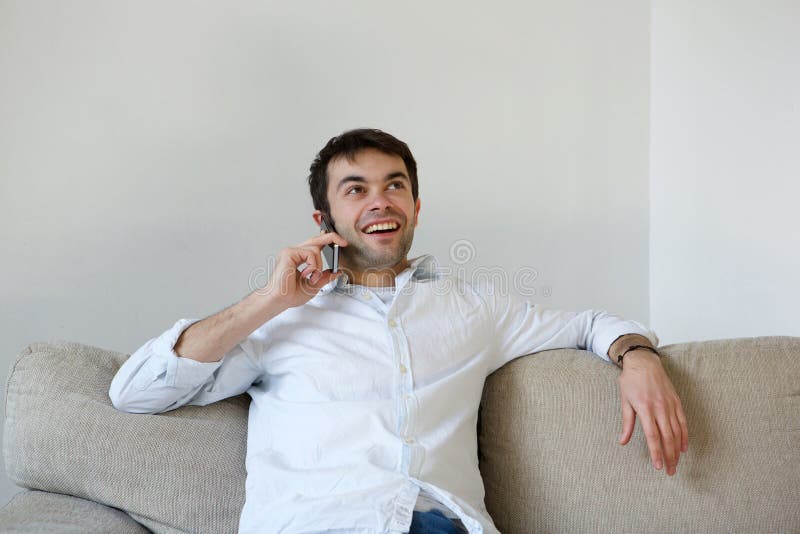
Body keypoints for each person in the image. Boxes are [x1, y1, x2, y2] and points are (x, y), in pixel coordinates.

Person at [109, 128, 688, 534]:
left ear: (415, 205)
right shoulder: (278, 319)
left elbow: (590, 323)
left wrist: (638, 357)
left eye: (394, 185)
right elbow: (135, 392)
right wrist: (268, 299)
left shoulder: (473, 308)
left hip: (441, 524)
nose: (379, 201)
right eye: (355, 189)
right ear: (324, 220)